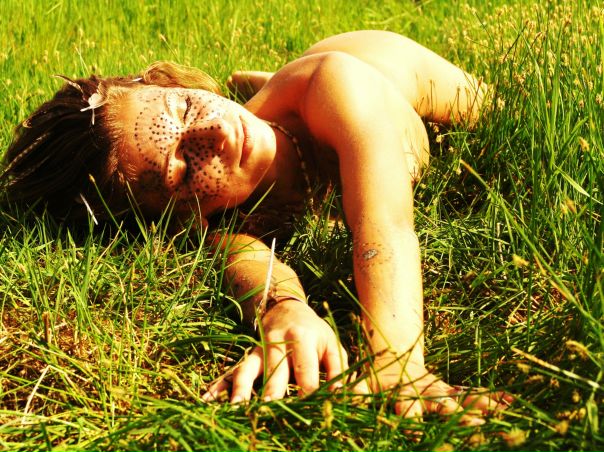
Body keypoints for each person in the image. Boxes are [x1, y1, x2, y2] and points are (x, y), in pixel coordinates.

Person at [1, 30, 510, 424]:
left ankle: (268, 83)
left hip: (386, 66)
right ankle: (258, 83)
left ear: (178, 84)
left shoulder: (337, 82)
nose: (218, 130)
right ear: (186, 216)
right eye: (183, 164)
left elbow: (385, 225)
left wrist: (396, 361)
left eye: (186, 106)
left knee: (496, 111)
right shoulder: (219, 221)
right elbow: (242, 256)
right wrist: (287, 311)